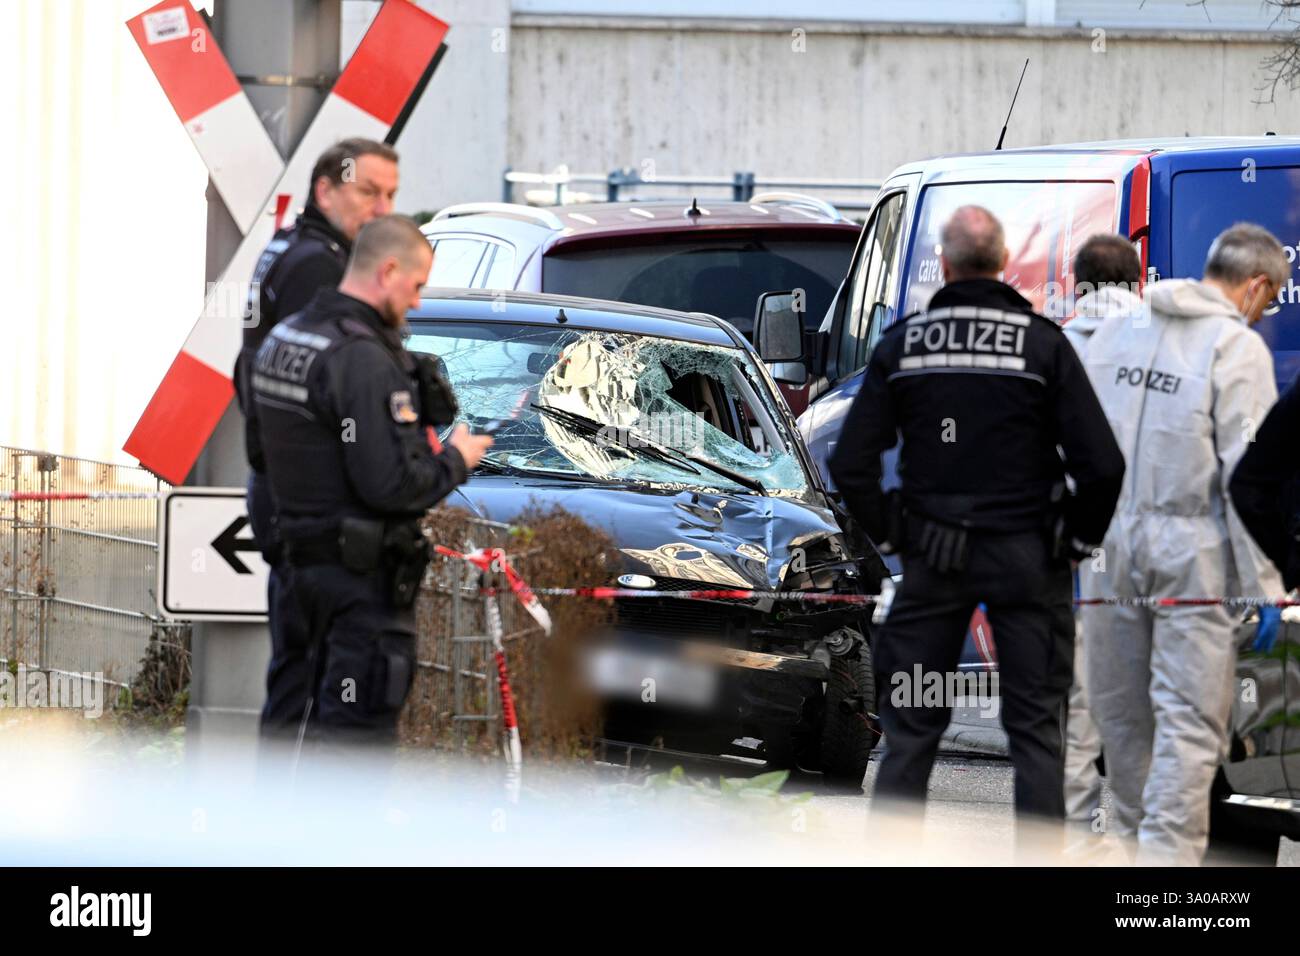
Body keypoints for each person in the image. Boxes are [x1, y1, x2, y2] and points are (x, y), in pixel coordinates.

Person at [830, 205, 1125, 827]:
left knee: (909, 738)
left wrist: (896, 531)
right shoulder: (1043, 345)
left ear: (944, 263)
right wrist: (1072, 540)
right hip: (1028, 558)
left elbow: (852, 461)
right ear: (1001, 263)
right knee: (1037, 738)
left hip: (933, 557)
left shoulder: (907, 343)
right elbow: (1102, 465)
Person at [1081, 222, 1287, 865]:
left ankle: (1141, 851)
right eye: (1273, 299)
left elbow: (1071, 440)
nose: (1266, 313)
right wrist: (1270, 587)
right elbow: (1248, 475)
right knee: (1190, 724)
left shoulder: (1119, 330)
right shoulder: (1235, 347)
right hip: (1191, 552)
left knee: (1123, 718)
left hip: (1108, 547)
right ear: (1254, 285)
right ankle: (1166, 877)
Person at [250, 214, 493, 746]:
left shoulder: (285, 337)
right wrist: (457, 459)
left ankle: (268, 826)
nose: (418, 302)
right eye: (417, 285)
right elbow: (390, 485)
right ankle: (337, 832)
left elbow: (261, 448)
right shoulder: (360, 358)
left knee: (290, 714)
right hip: (357, 585)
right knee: (352, 739)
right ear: (387, 271)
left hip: (296, 570)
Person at [235, 138, 399, 741]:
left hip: (282, 493)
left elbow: (251, 377)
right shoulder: (319, 267)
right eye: (368, 192)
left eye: (391, 195)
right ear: (325, 191)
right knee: (316, 687)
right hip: (304, 503)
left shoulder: (291, 247)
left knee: (296, 676)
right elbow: (307, 395)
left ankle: (280, 816)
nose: (381, 209)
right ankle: (294, 822)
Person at [1059, 234, 1144, 831]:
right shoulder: (1166, 341)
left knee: (1080, 694)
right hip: (1157, 537)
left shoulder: (1058, 345)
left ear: (1077, 282)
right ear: (1138, 281)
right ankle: (1136, 831)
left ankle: (1073, 830)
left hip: (1081, 536)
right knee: (1142, 692)